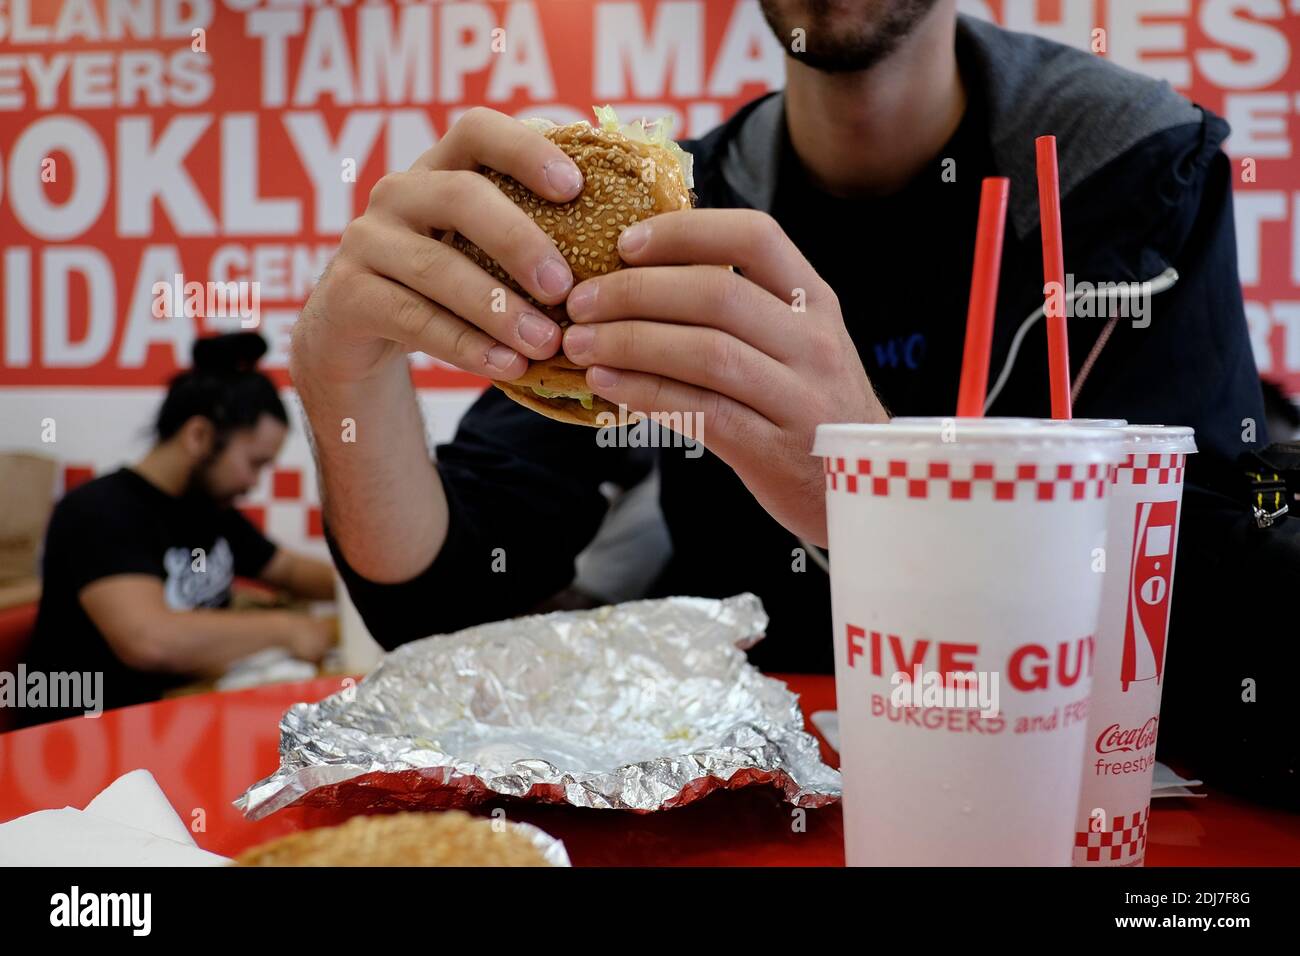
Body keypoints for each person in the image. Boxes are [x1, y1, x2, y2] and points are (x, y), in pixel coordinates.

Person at [290, 2, 1267, 680]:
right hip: (743, 806)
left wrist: (878, 496)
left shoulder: (1133, 178)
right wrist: (340, 372)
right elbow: (443, 602)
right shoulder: (670, 214)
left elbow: (1233, 623)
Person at [17, 333, 335, 726]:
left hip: (177, 719)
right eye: (254, 463)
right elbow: (149, 640)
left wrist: (370, 588)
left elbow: (289, 571)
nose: (255, 482)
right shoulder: (99, 512)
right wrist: (287, 630)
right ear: (199, 435)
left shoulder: (210, 511)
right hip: (85, 739)